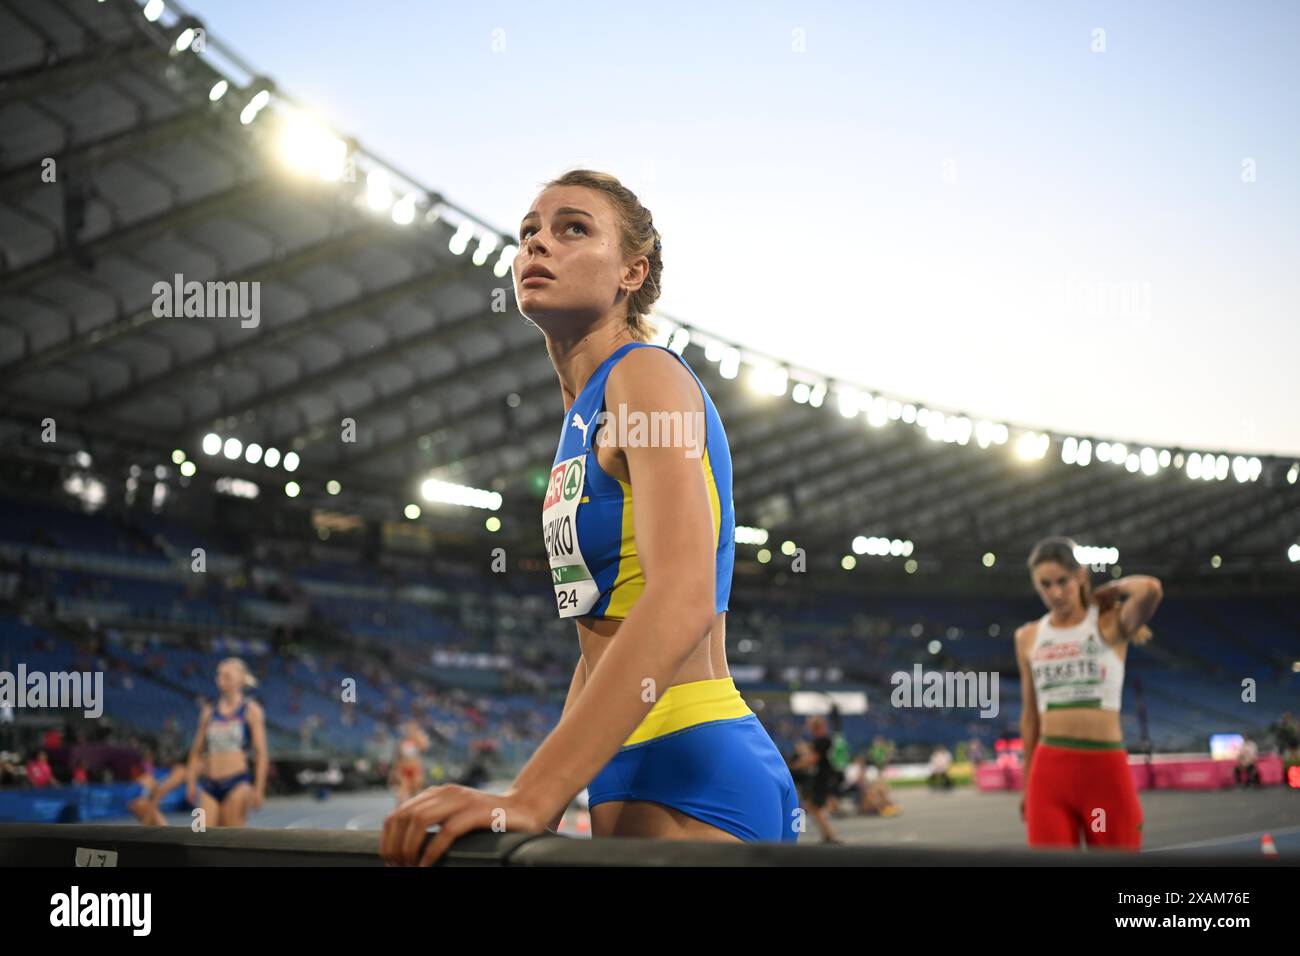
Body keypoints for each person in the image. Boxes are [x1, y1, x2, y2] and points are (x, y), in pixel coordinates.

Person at [382, 170, 798, 866]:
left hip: (695, 761)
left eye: (573, 228)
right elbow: (596, 631)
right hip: (624, 761)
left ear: (631, 271)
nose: (539, 242)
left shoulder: (648, 375)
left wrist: (532, 796)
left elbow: (684, 595)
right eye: (529, 232)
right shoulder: (581, 416)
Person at [1015, 537, 1162, 850]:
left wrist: (1113, 589)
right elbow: (1030, 717)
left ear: (1080, 575)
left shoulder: (1109, 623)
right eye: (1045, 584)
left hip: (1103, 774)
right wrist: (1027, 783)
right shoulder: (1028, 637)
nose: (1055, 592)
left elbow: (1150, 589)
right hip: (1050, 775)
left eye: (1062, 582)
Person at [185, 657, 267, 827]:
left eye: (227, 675)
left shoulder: (251, 710)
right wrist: (191, 782)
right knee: (200, 835)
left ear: (240, 679)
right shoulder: (209, 712)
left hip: (236, 783)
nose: (220, 679)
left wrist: (259, 788)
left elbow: (261, 753)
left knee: (231, 840)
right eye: (219, 675)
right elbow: (196, 751)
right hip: (208, 785)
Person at [788, 715, 842, 842]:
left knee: (814, 807)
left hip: (821, 778)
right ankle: (827, 835)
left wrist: (794, 766)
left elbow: (812, 759)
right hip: (823, 777)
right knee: (813, 806)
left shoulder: (821, 741)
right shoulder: (824, 740)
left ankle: (829, 835)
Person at [389, 720, 429, 805]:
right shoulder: (403, 742)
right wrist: (394, 770)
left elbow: (425, 748)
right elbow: (398, 757)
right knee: (401, 793)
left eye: (412, 729)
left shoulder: (419, 740)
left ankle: (414, 809)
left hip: (415, 769)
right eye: (408, 729)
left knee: (415, 791)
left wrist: (417, 737)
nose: (409, 731)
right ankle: (400, 811)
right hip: (404, 769)